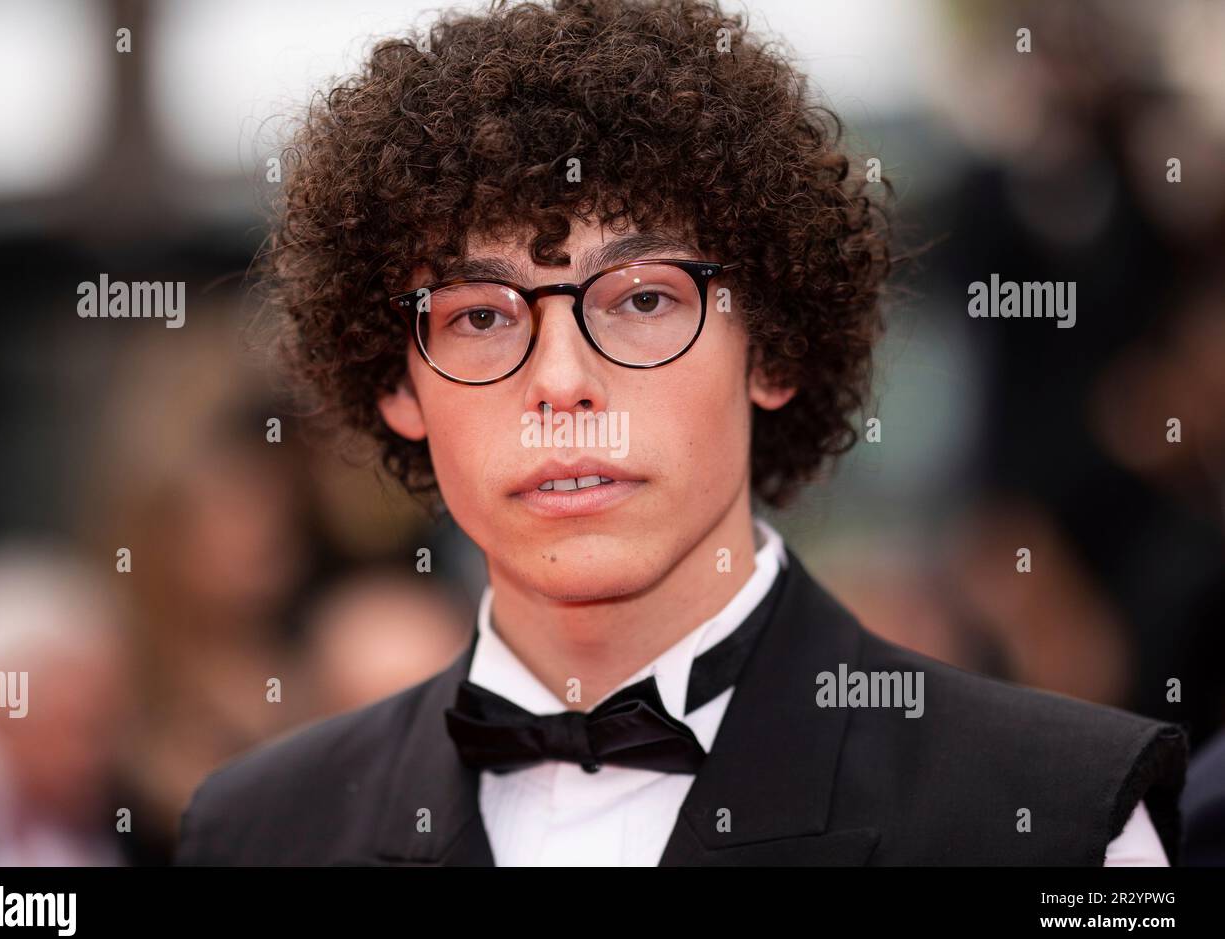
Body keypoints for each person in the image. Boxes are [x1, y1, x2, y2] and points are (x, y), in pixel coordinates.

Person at [175, 0, 1185, 866]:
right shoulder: (252, 835)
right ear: (398, 382)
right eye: (480, 314)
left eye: (645, 299)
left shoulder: (1057, 817)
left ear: (775, 350)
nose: (562, 381)